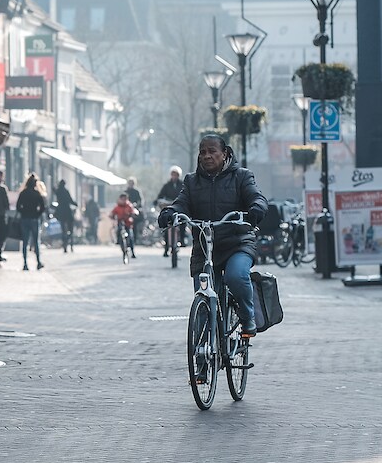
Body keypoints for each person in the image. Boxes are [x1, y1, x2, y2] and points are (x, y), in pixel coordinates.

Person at [159, 135, 268, 338]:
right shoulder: (192, 181)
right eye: (202, 152)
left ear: (224, 153)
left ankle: (247, 317)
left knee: (236, 276)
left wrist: (256, 208)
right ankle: (202, 358)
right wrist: (170, 211)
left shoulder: (242, 176)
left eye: (212, 151)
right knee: (203, 304)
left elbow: (256, 196)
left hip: (237, 244)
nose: (207, 156)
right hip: (205, 247)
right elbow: (181, 202)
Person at [15, 174, 46, 271]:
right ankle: (38, 262)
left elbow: (18, 206)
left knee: (25, 242)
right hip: (34, 219)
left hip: (24, 219)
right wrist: (37, 214)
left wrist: (23, 212)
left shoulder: (23, 193)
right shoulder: (37, 194)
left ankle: (25, 264)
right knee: (36, 241)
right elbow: (42, 207)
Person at [157, 166, 185, 257]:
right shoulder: (166, 185)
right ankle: (166, 248)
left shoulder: (183, 184)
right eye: (173, 174)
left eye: (176, 174)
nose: (174, 176)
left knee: (183, 221)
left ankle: (182, 239)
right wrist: (158, 200)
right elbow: (160, 195)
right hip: (169, 207)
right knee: (166, 225)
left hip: (180, 207)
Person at [109, 193, 139, 258]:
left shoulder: (129, 206)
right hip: (120, 222)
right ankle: (119, 242)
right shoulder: (117, 207)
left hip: (128, 223)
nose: (123, 200)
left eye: (124, 199)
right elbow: (112, 213)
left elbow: (134, 211)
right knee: (118, 232)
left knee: (130, 237)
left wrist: (133, 214)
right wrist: (111, 216)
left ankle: (132, 252)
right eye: (122, 199)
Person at [53, 179, 78, 253]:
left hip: (61, 213)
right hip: (67, 212)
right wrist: (75, 204)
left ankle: (65, 245)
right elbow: (70, 200)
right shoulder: (66, 191)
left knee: (63, 230)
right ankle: (70, 244)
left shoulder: (58, 191)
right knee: (70, 229)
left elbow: (54, 191)